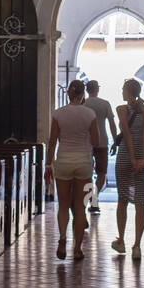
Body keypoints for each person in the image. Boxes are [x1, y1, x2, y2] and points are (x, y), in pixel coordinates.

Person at [45, 78, 100, 262]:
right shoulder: (90, 114)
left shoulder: (58, 114)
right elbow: (96, 140)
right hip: (83, 162)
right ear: (82, 94)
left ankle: (62, 238)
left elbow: (52, 142)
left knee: (63, 205)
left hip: (64, 162)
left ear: (68, 93)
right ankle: (77, 249)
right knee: (79, 207)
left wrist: (47, 165)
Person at [111, 77, 144, 261]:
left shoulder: (121, 109)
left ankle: (121, 241)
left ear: (128, 92)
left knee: (123, 199)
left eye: (123, 89)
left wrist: (133, 158)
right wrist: (142, 158)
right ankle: (137, 245)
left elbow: (126, 134)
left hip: (126, 156)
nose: (121, 92)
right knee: (140, 202)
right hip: (143, 156)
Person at [83, 79, 117, 214]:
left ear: (87, 90)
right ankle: (95, 196)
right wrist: (115, 141)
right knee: (102, 172)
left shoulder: (82, 104)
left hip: (86, 142)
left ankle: (91, 198)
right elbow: (112, 123)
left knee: (87, 173)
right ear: (97, 89)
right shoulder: (104, 104)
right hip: (102, 141)